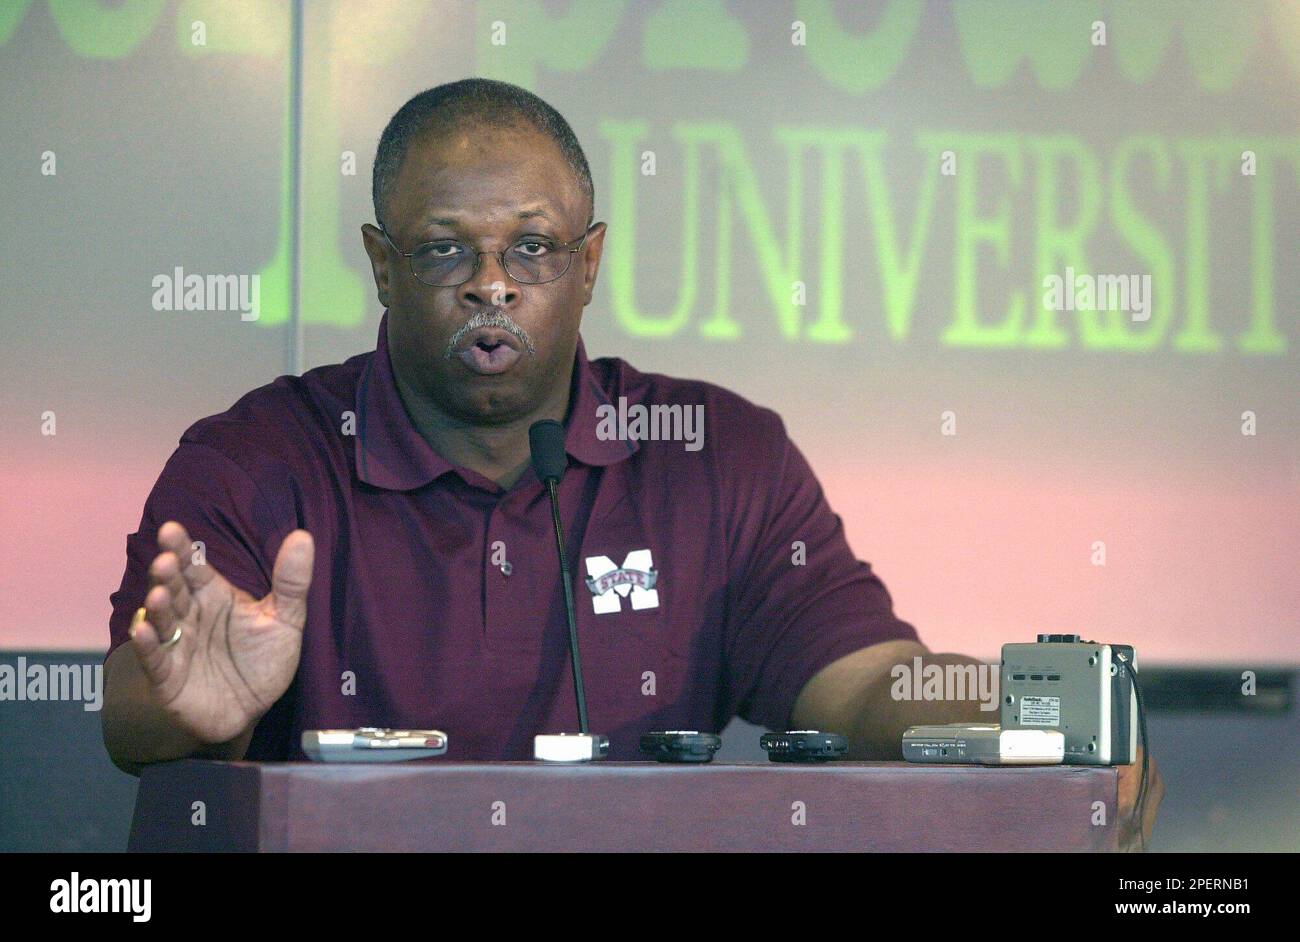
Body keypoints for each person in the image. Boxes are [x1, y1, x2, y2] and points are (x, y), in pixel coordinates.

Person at [102, 79, 1162, 848]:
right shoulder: (253, 461)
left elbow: (864, 683)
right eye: (443, 249)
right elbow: (136, 714)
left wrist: (1026, 717)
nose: (491, 285)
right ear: (382, 265)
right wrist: (185, 711)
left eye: (532, 247)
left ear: (590, 261)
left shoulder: (717, 457)